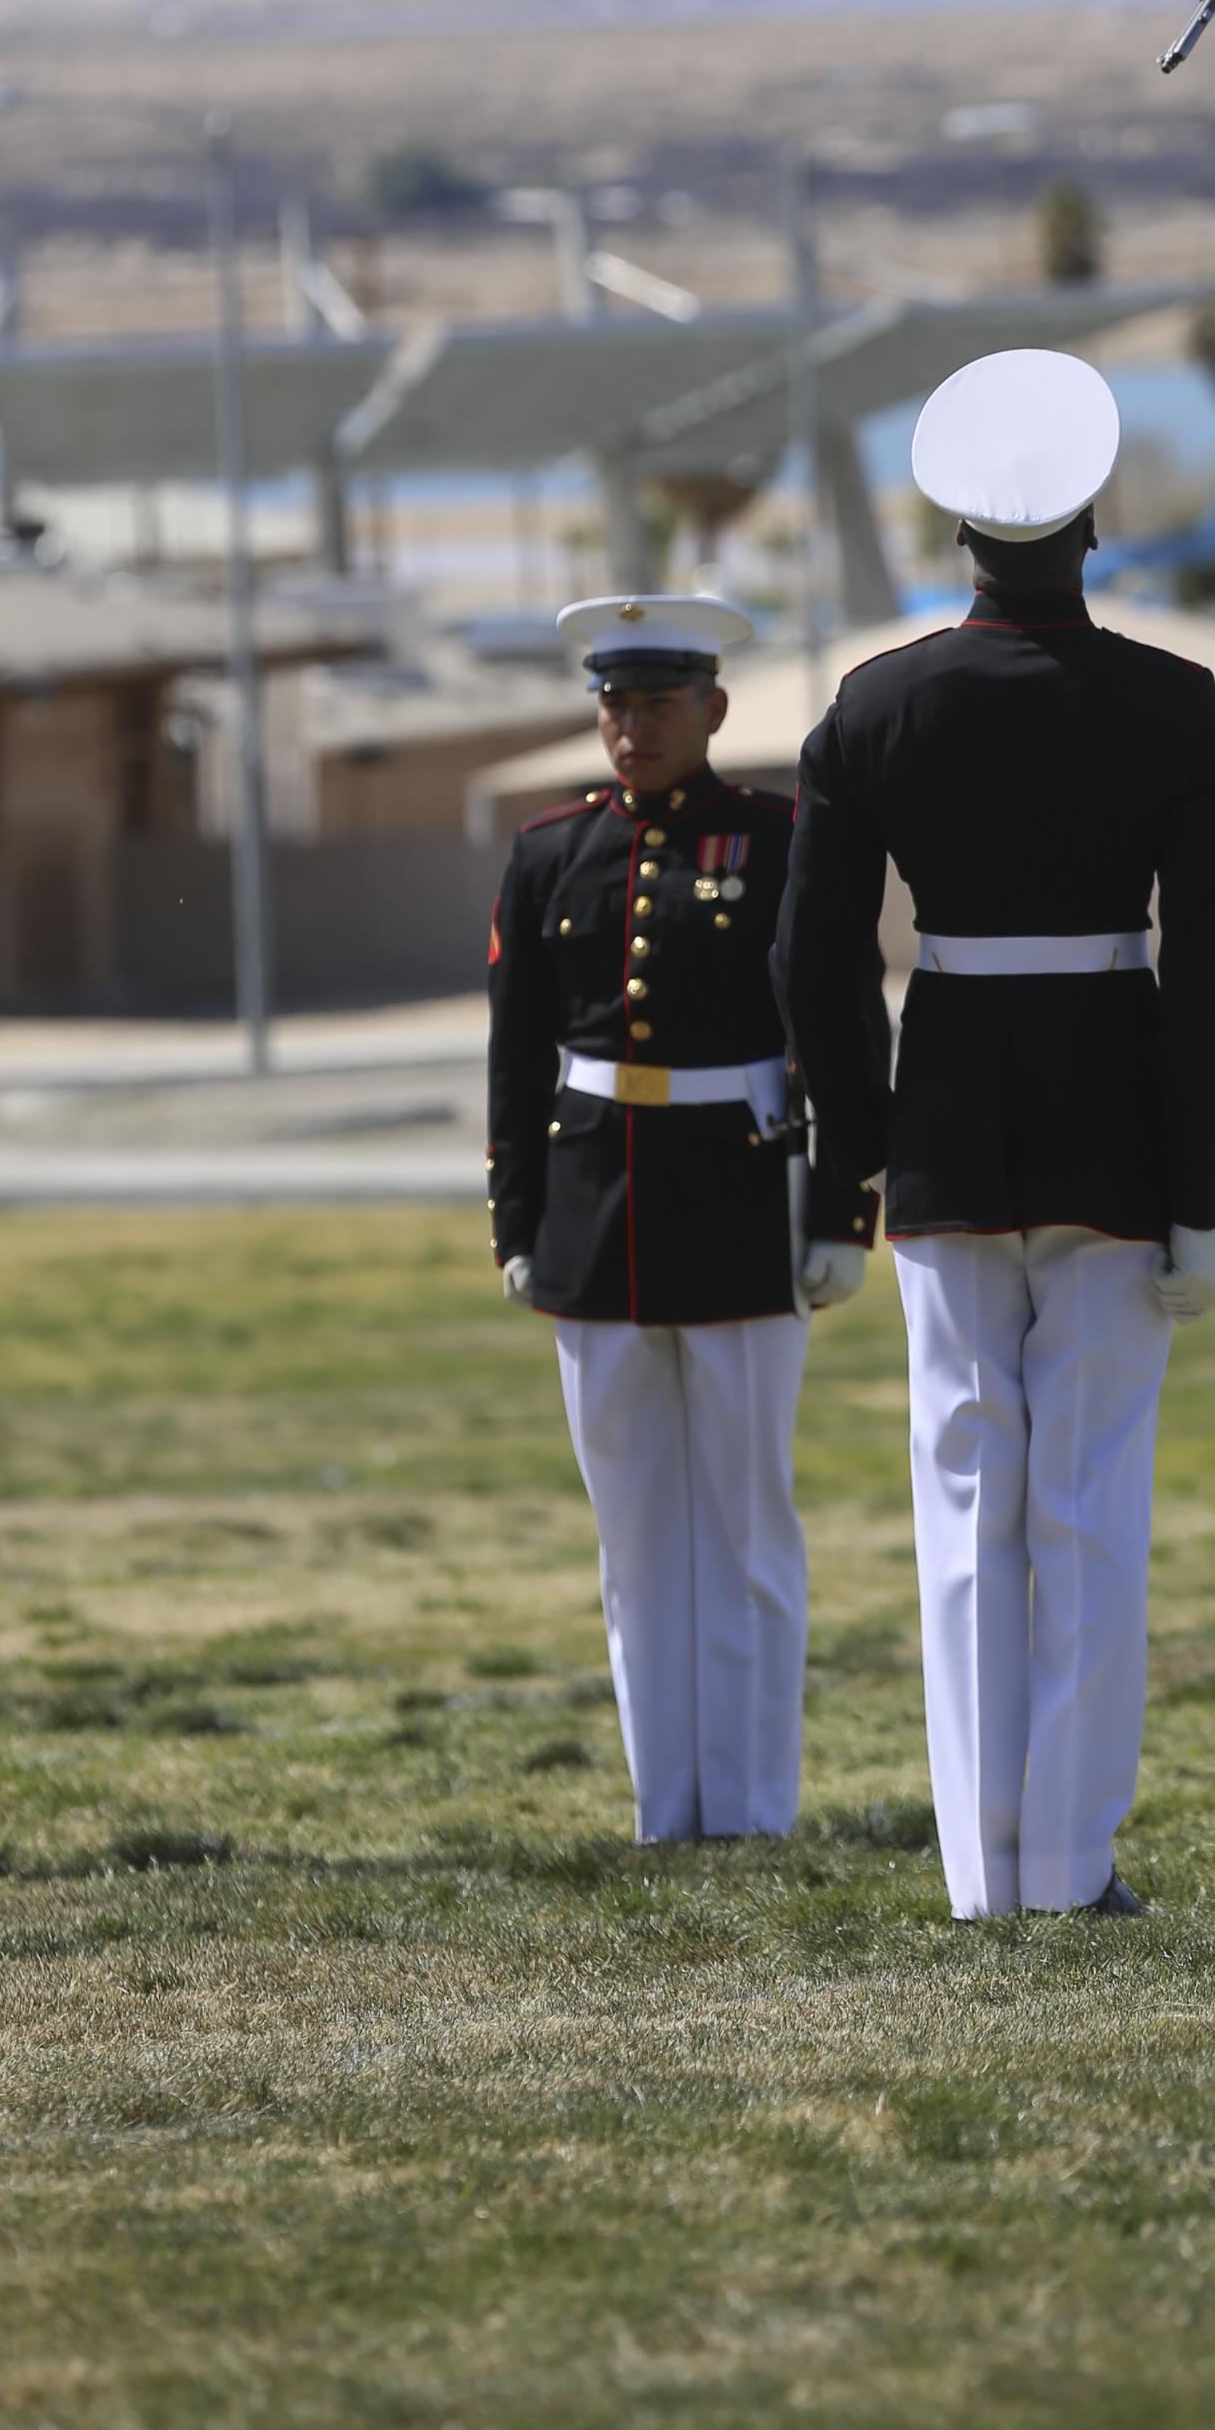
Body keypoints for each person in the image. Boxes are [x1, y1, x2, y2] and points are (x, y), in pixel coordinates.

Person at [779, 350, 1215, 1919]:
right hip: (1114, 1118)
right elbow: (1208, 970)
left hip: (947, 1127)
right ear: (1095, 520)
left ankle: (984, 1875)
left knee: (966, 1499)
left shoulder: (877, 708)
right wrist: (1201, 1191)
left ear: (956, 532)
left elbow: (815, 963)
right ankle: (1070, 1863)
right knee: (1090, 1503)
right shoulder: (1179, 710)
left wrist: (853, 1162)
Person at [486, 593, 882, 1845]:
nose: (631, 726)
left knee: (748, 1526)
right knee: (636, 1540)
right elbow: (516, 1056)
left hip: (739, 1202)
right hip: (596, 1218)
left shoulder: (776, 840)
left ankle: (755, 1810)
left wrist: (840, 1202)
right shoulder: (550, 854)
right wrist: (516, 1221)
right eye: (614, 702)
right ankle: (669, 1810)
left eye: (657, 703)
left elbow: (837, 1026)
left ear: (713, 707)